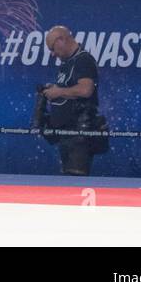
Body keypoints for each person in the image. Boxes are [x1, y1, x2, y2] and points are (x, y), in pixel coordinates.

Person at [42, 25, 101, 177]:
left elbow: (85, 90)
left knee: (74, 180)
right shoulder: (67, 63)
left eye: (53, 48)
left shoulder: (83, 60)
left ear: (61, 40)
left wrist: (58, 91)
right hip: (67, 133)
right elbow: (70, 89)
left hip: (79, 136)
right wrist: (55, 89)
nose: (53, 54)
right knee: (67, 179)